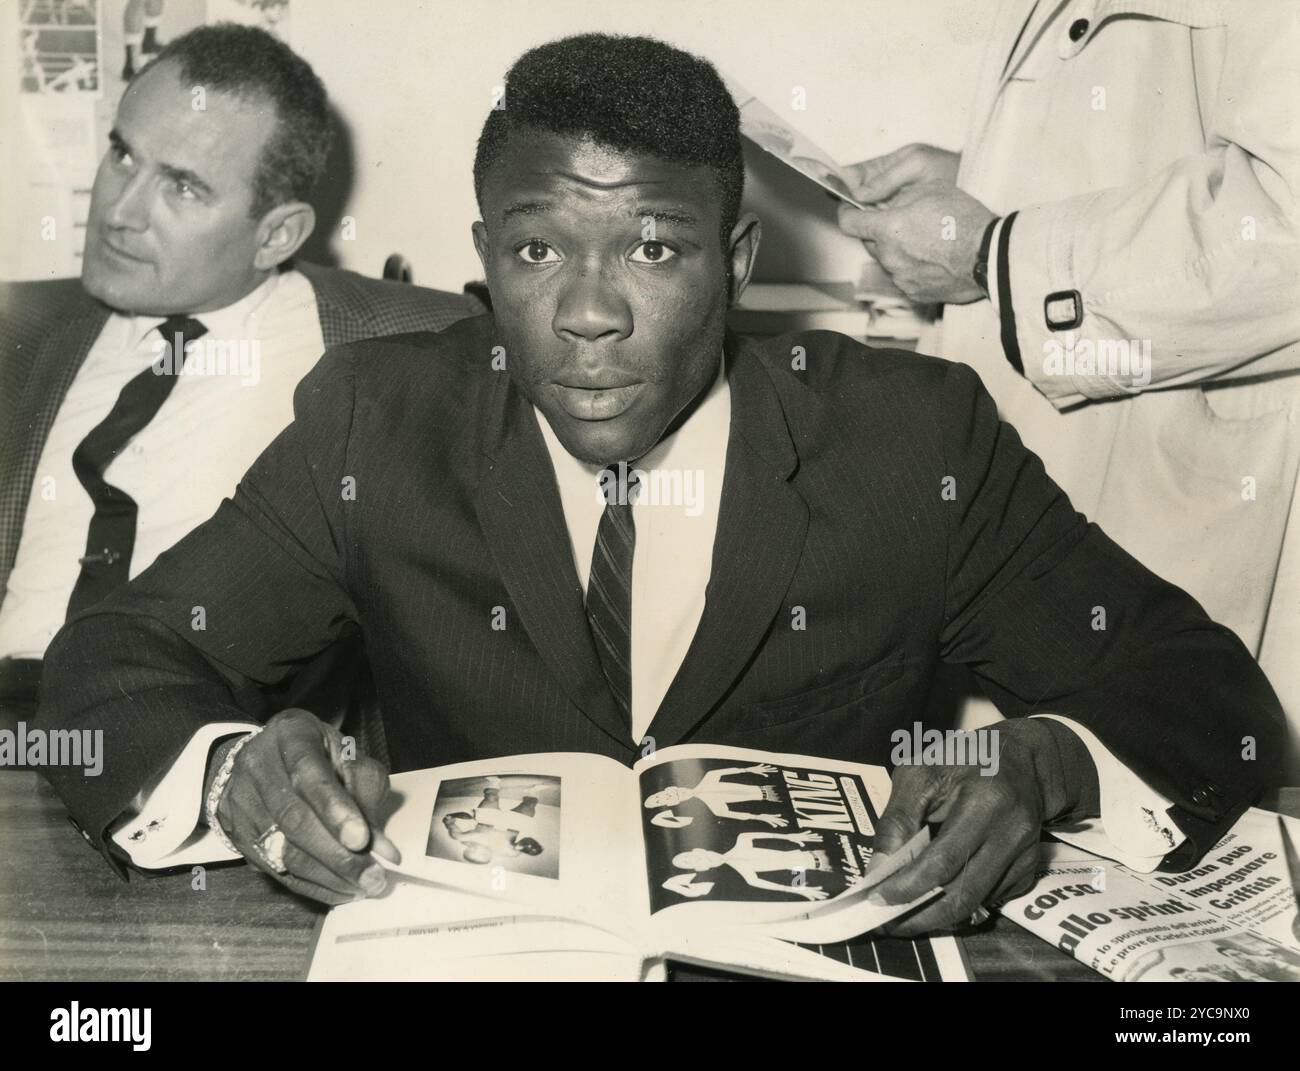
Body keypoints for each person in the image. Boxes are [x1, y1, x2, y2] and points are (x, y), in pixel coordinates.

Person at [37, 34, 1284, 935]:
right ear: (483, 261)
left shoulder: (913, 443)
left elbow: (1210, 699)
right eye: (535, 249)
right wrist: (234, 772)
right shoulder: (380, 418)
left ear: (736, 262)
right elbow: (119, 657)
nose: (586, 313)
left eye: (652, 248)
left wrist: (1046, 763)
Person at [835, 2, 1300, 769]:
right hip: (1087, 445)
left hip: (1188, 477)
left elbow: (1281, 231)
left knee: (1157, 769)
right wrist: (997, 177)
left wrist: (995, 253)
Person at [0, 24, 480, 728]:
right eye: (123, 155)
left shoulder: (403, 343)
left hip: (204, 747)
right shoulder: (21, 329)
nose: (121, 212)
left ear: (276, 235)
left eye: (183, 188)